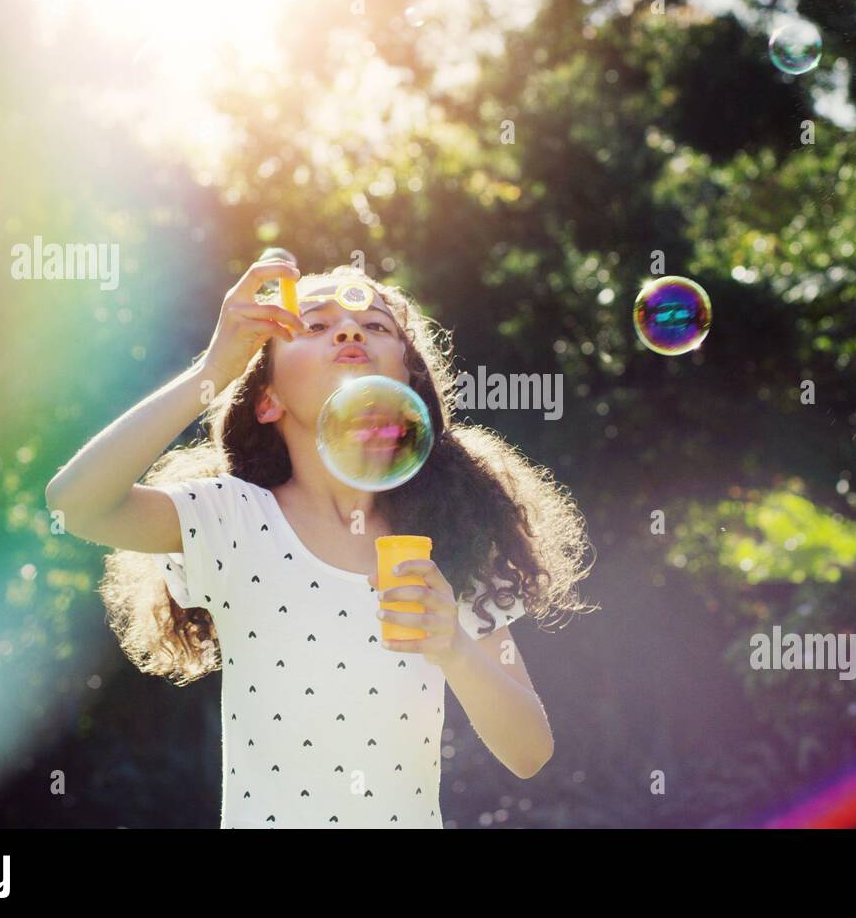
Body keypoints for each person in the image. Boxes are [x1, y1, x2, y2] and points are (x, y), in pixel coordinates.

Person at [45, 252, 596, 827]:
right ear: (267, 398)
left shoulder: (447, 542)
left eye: (377, 326)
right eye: (313, 325)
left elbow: (530, 751)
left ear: (409, 382)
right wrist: (214, 366)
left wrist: (452, 645)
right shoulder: (229, 518)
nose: (351, 328)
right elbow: (78, 503)